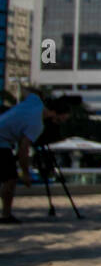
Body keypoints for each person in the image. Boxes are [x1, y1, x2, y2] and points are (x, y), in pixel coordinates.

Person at [0, 93, 80, 224]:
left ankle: (5, 214)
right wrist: (25, 173)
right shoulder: (36, 125)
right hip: (2, 142)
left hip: (3, 139)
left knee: (8, 178)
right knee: (10, 179)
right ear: (55, 114)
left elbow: (30, 92)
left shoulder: (35, 101)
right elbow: (23, 149)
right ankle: (5, 215)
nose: (60, 123)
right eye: (61, 120)